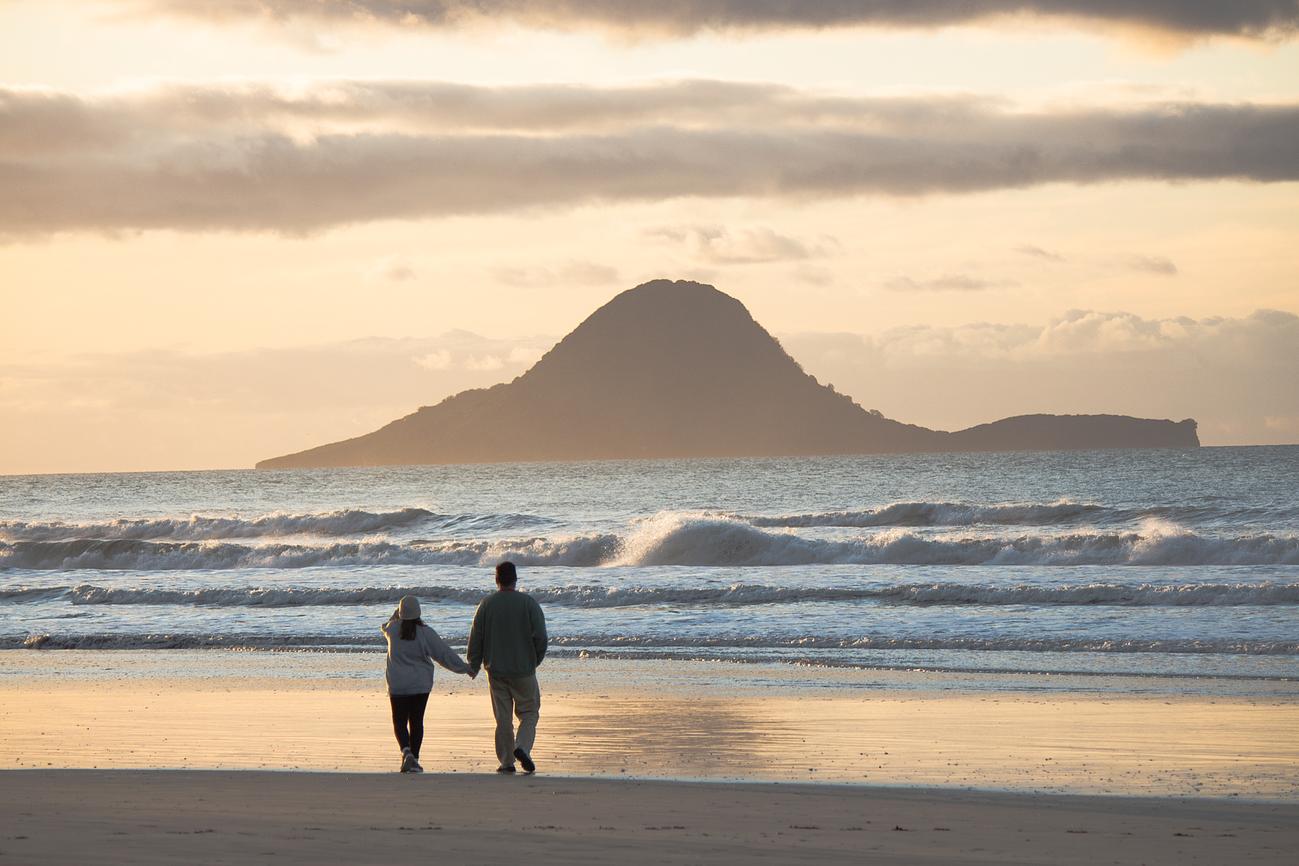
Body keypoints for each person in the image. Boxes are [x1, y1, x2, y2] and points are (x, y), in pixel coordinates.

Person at [467, 561, 548, 775]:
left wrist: (473, 664)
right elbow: (541, 636)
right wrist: (535, 660)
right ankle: (522, 747)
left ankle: (506, 762)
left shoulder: (486, 604)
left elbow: (476, 638)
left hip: (495, 669)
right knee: (529, 712)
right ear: (515, 579)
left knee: (503, 718)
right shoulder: (528, 603)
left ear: (497, 580)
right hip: (523, 669)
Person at [381, 594, 475, 773]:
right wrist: (464, 668)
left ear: (400, 613)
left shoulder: (392, 630)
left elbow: (385, 625)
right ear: (419, 612)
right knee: (416, 721)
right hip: (420, 685)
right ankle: (414, 758)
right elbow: (444, 654)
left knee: (399, 721)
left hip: (397, 684)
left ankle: (405, 751)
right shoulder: (425, 632)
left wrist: (397, 613)